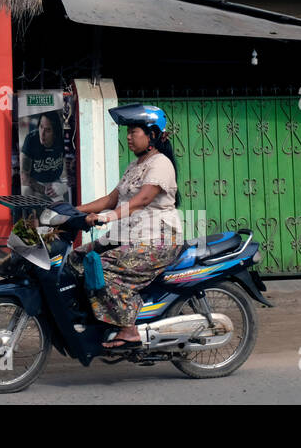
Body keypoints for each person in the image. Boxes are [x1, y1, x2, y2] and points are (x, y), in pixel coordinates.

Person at [76, 104, 183, 348]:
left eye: (133, 131)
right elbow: (110, 199)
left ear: (152, 135)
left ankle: (129, 329)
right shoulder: (134, 166)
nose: (128, 137)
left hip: (157, 242)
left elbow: (141, 200)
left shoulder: (161, 164)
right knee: (77, 258)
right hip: (129, 236)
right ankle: (95, 319)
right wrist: (74, 210)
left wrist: (107, 217)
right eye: (128, 132)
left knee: (101, 268)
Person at [19, 110, 70, 203]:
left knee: (64, 208)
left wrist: (64, 186)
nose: (42, 134)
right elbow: (24, 176)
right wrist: (44, 189)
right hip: (35, 182)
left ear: (55, 132)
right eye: (41, 127)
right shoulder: (31, 139)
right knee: (25, 190)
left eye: (48, 130)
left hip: (55, 182)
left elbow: (71, 171)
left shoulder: (62, 140)